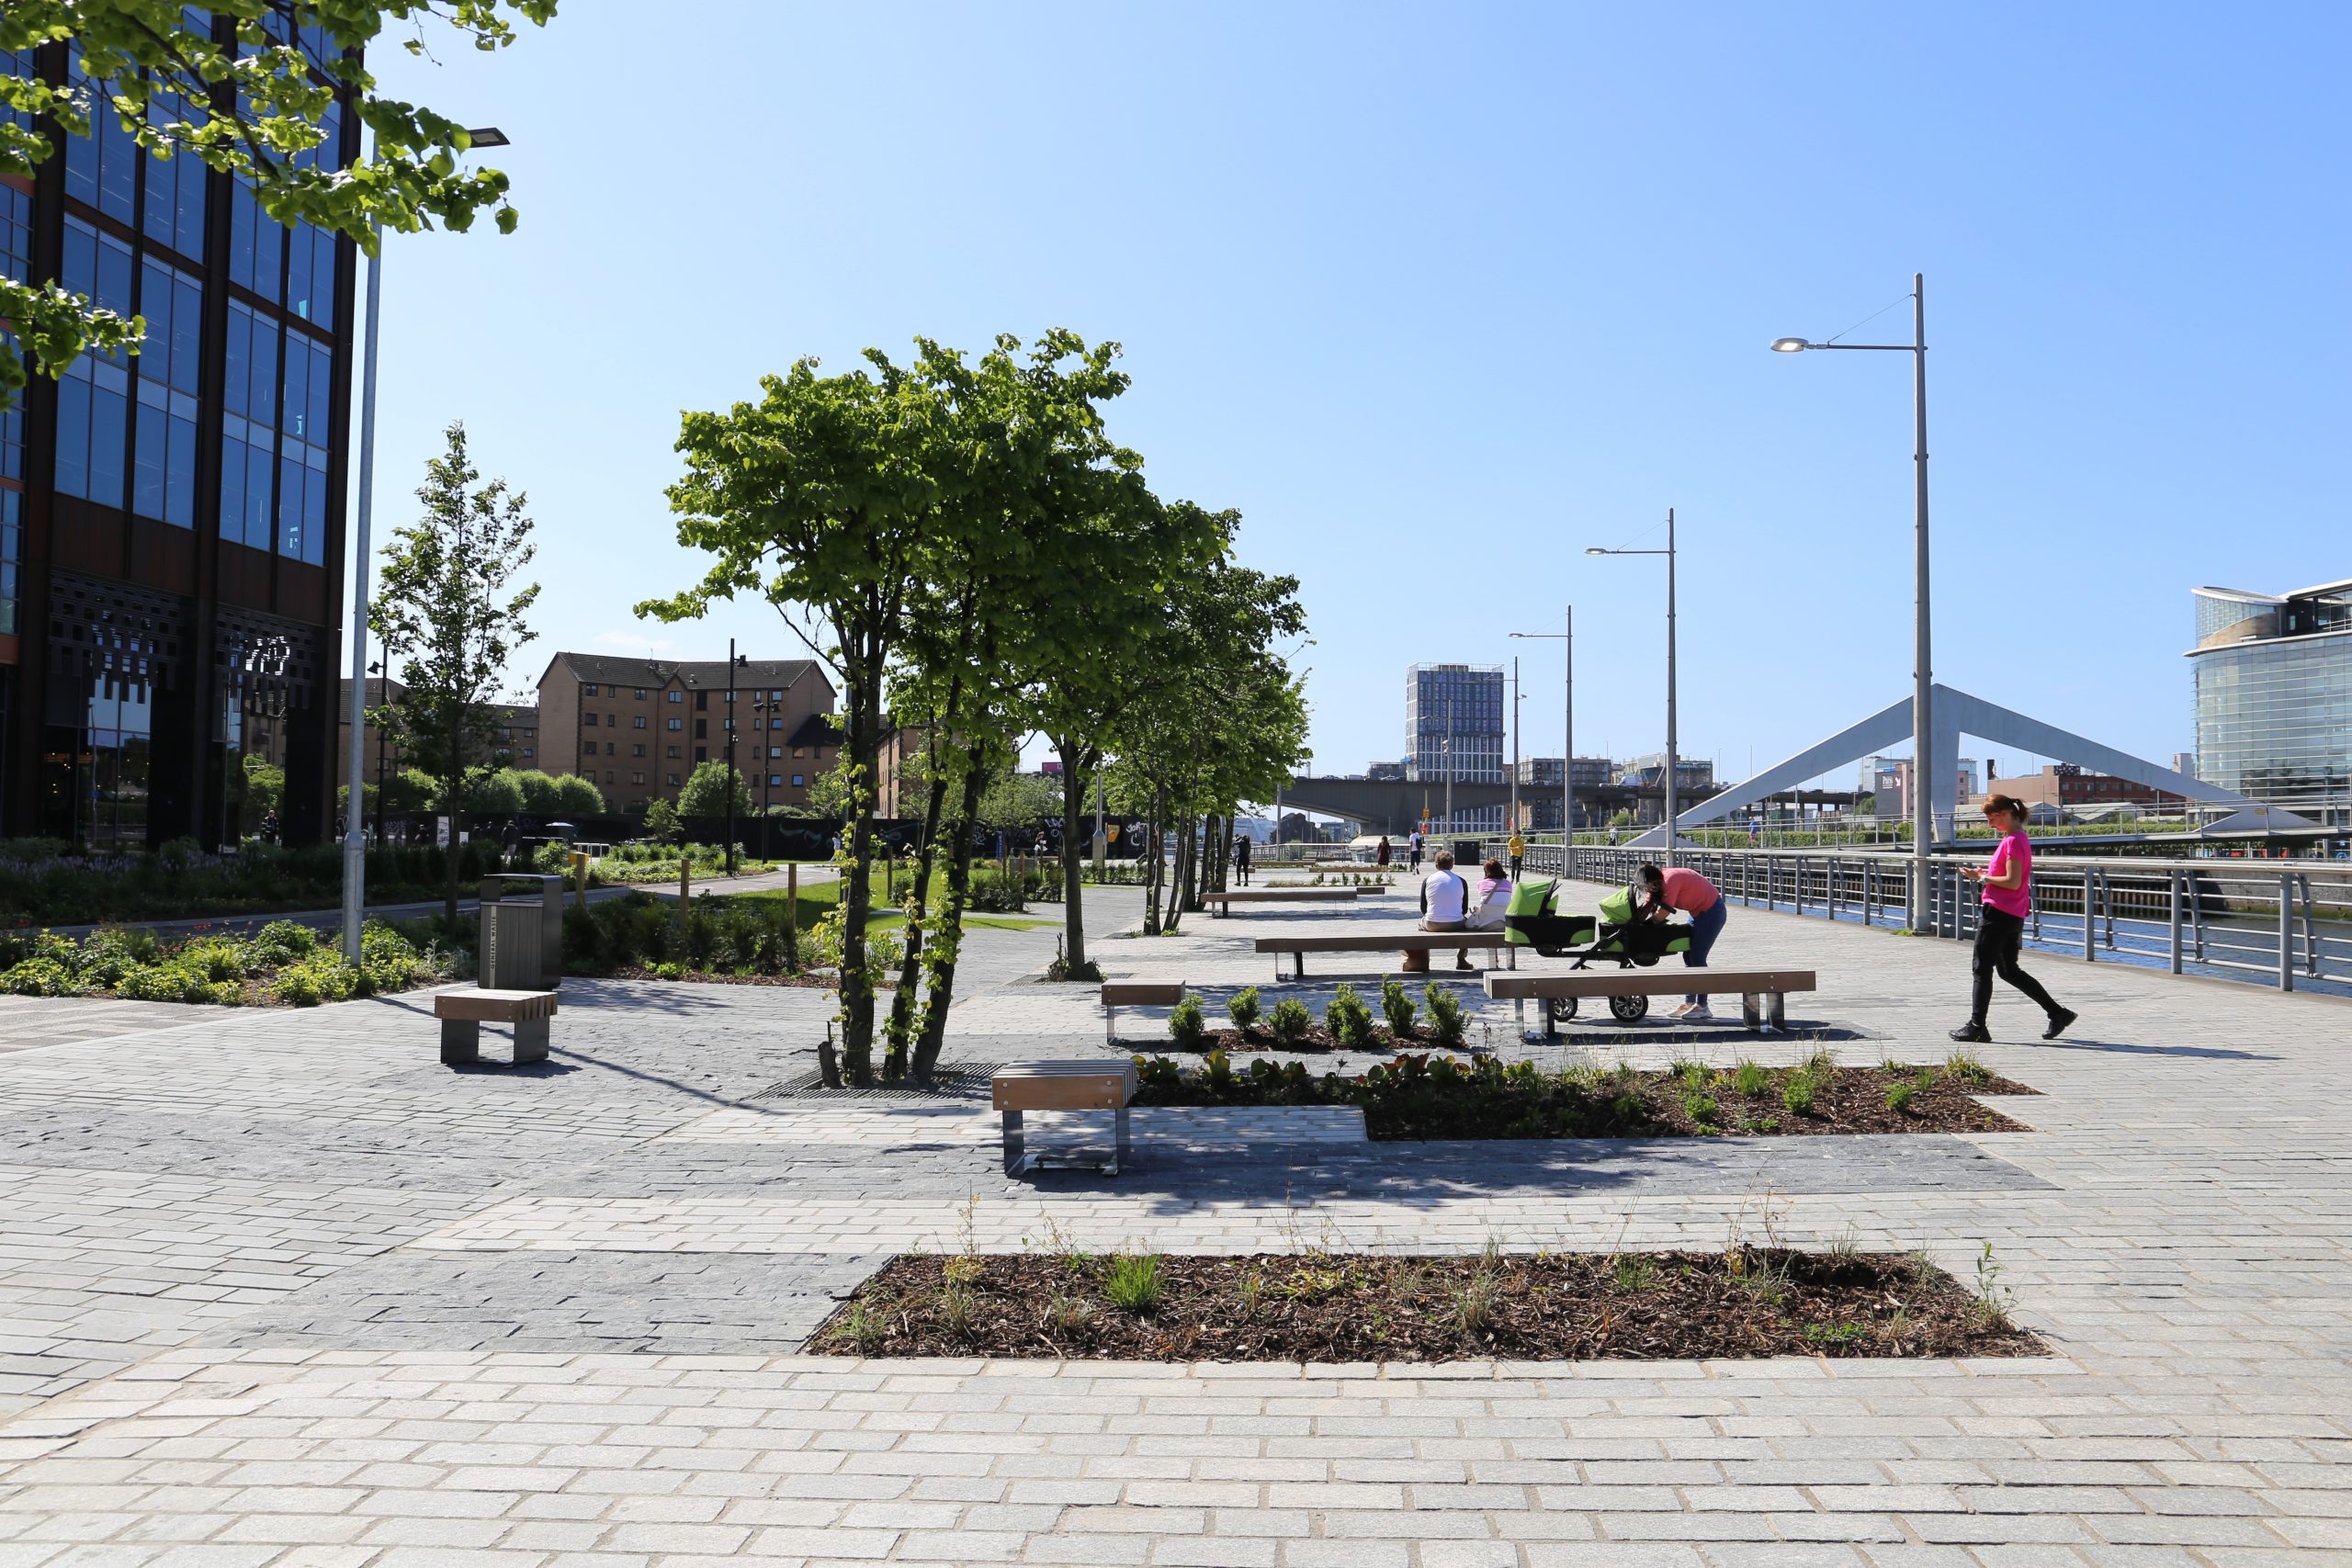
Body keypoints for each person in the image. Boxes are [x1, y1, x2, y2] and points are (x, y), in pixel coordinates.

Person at [1951, 794, 2076, 1043]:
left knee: (1981, 968)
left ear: (2007, 813)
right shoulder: (2015, 838)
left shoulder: (2013, 841)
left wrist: (1982, 878)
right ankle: (2058, 1013)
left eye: (1992, 818)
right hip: (2012, 913)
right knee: (2009, 971)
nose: (1990, 824)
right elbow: (2012, 878)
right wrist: (1984, 873)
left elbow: (2013, 881)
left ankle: (1977, 1026)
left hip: (1998, 913)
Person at [1638, 862, 1725, 1021]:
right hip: (1697, 913)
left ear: (1653, 880)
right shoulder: (1657, 883)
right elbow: (1648, 904)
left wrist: (1648, 924)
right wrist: (1636, 920)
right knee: (1688, 956)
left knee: (1698, 957)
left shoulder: (1670, 880)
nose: (1648, 889)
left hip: (1712, 912)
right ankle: (1690, 1002)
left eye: (1648, 885)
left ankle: (1703, 1006)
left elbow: (1664, 912)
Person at [1419, 849, 1475, 971]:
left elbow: (1423, 908)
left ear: (1436, 865)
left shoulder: (1427, 880)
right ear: (1452, 865)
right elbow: (1464, 909)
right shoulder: (1461, 881)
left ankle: (1421, 960)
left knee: (1421, 922)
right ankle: (1461, 958)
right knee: (1468, 924)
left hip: (1432, 924)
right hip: (1456, 924)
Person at [1466, 856, 1514, 934]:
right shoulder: (1508, 884)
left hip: (1486, 924)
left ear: (1486, 871)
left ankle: (1491, 947)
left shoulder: (1481, 883)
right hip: (1505, 923)